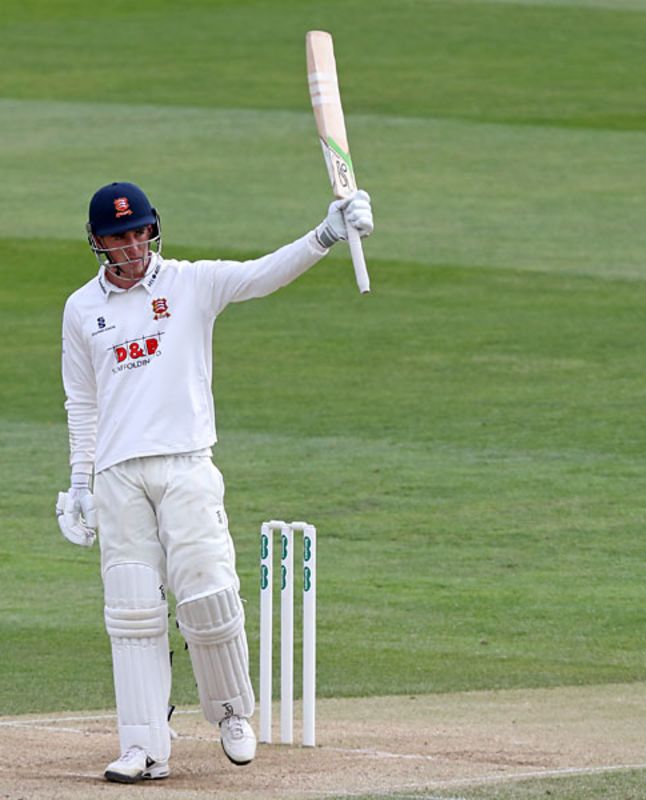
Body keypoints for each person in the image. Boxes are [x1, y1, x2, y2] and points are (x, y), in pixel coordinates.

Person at [56, 181, 373, 783]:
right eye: (120, 237)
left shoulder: (190, 283)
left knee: (207, 592)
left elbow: (262, 275)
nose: (134, 246)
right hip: (118, 475)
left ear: (153, 229)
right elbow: (82, 401)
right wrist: (79, 484)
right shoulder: (81, 309)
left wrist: (327, 234)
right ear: (98, 242)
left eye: (141, 232)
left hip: (186, 462)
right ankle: (143, 747)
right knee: (131, 608)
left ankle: (231, 714)